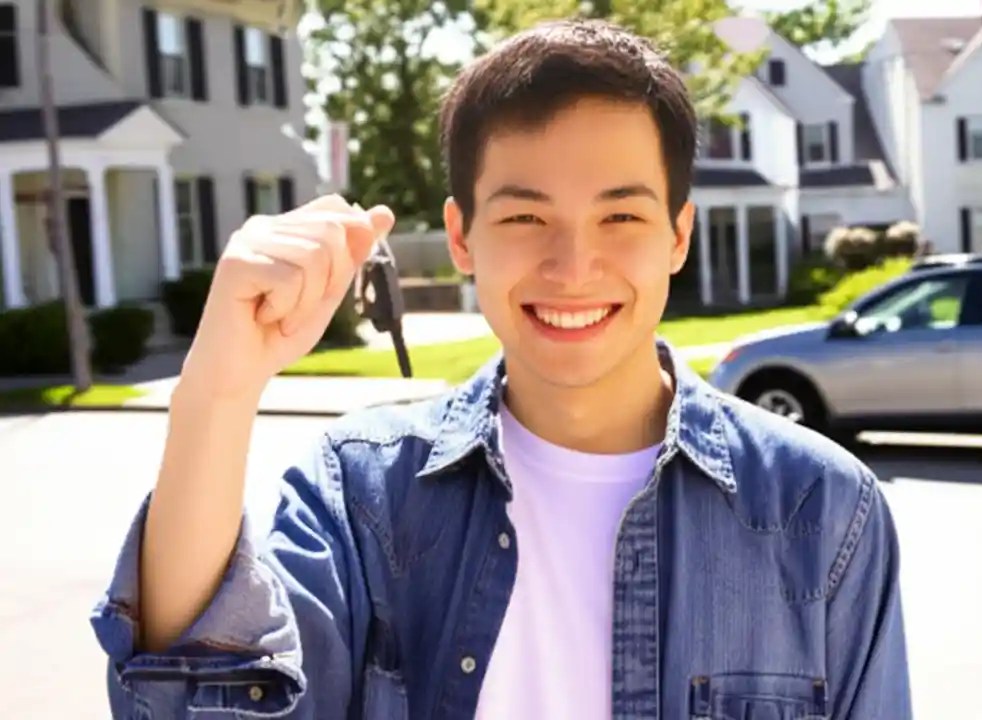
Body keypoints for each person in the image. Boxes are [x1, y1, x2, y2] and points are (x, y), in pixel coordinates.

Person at [90, 19, 911, 719]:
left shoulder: (823, 511)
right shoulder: (364, 496)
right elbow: (193, 693)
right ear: (460, 236)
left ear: (678, 236)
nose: (573, 263)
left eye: (620, 214)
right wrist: (217, 393)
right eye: (525, 215)